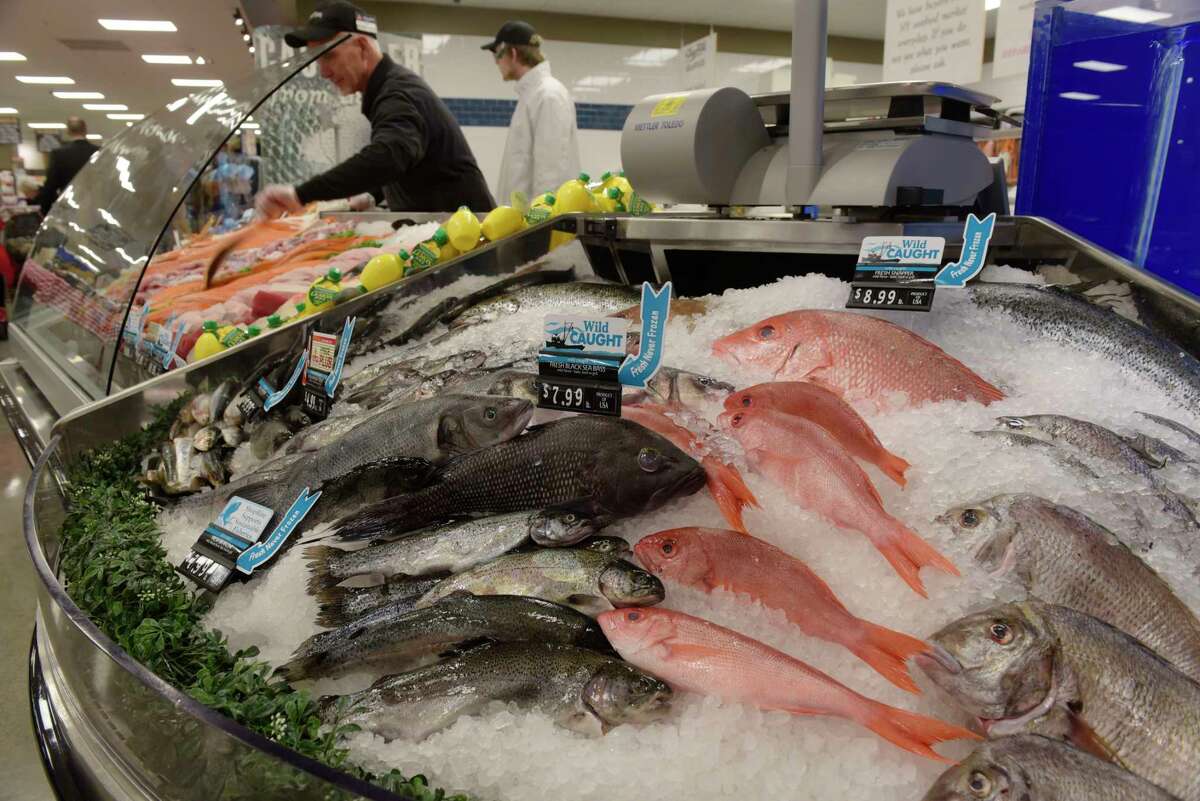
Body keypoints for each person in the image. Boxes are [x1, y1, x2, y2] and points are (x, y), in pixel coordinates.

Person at [255, 1, 494, 217]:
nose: (323, 72)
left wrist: (301, 194)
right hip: (446, 230)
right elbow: (409, 159)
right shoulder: (389, 87)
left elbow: (389, 156)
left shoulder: (397, 92)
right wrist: (371, 194)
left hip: (468, 242)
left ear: (361, 46)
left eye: (329, 56)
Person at [483, 21, 580, 204]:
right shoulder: (531, 96)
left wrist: (540, 225)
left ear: (512, 53)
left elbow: (551, 174)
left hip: (538, 225)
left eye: (497, 56)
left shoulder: (548, 95)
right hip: (525, 224)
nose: (496, 63)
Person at [32, 117, 98, 216]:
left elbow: (50, 186)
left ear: (68, 131)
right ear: (85, 130)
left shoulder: (59, 154)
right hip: (94, 207)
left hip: (69, 208)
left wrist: (46, 210)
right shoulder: (99, 152)